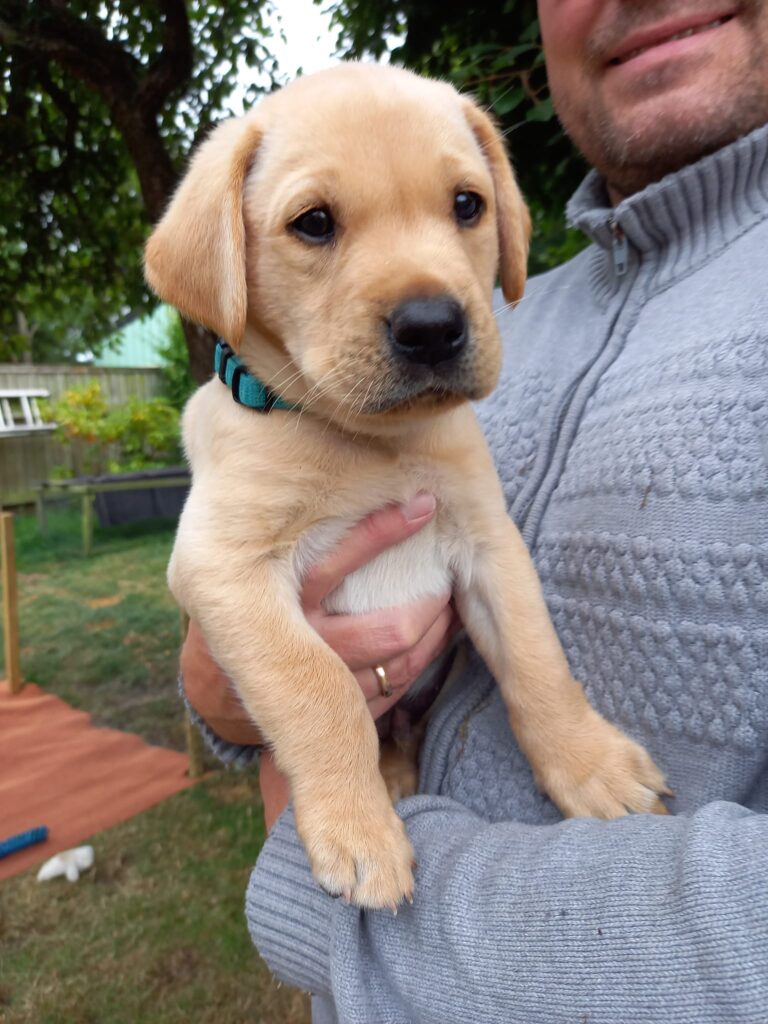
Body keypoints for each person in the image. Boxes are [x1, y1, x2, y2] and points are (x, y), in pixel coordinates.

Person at [181, 2, 768, 1020]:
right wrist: (244, 703)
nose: (431, 300)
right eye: (317, 223)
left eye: (461, 207)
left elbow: (485, 547)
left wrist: (561, 730)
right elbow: (221, 585)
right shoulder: (520, 332)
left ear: (504, 218)